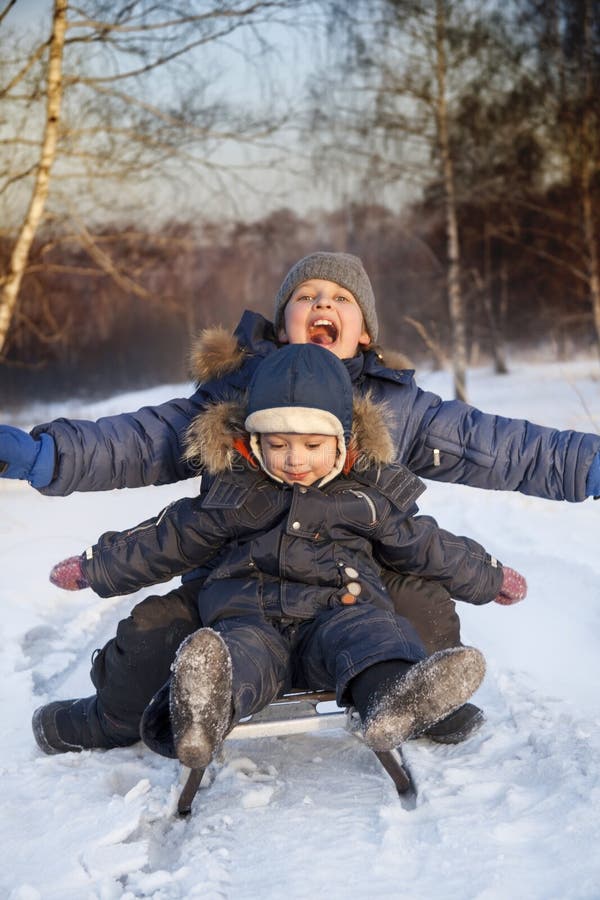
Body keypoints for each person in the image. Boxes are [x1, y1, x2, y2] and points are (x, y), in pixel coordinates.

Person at [1, 251, 597, 751]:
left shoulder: (399, 408)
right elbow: (138, 443)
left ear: (363, 331)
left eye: (340, 298)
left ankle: (410, 700)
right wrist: (49, 456)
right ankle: (120, 718)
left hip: (356, 582)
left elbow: (501, 448)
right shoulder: (234, 395)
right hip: (239, 582)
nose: (322, 305)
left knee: (421, 618)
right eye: (306, 295)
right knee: (150, 643)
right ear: (281, 324)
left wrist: (584, 466)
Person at [37, 344, 526, 768]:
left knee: (376, 637)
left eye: (312, 444)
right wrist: (96, 566)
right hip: (248, 618)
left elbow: (425, 543)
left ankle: (397, 700)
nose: (295, 459)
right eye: (278, 444)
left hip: (342, 610)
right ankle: (201, 711)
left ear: (342, 442)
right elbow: (169, 537)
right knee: (233, 658)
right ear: (254, 441)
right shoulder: (230, 496)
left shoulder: (368, 496)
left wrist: (488, 575)